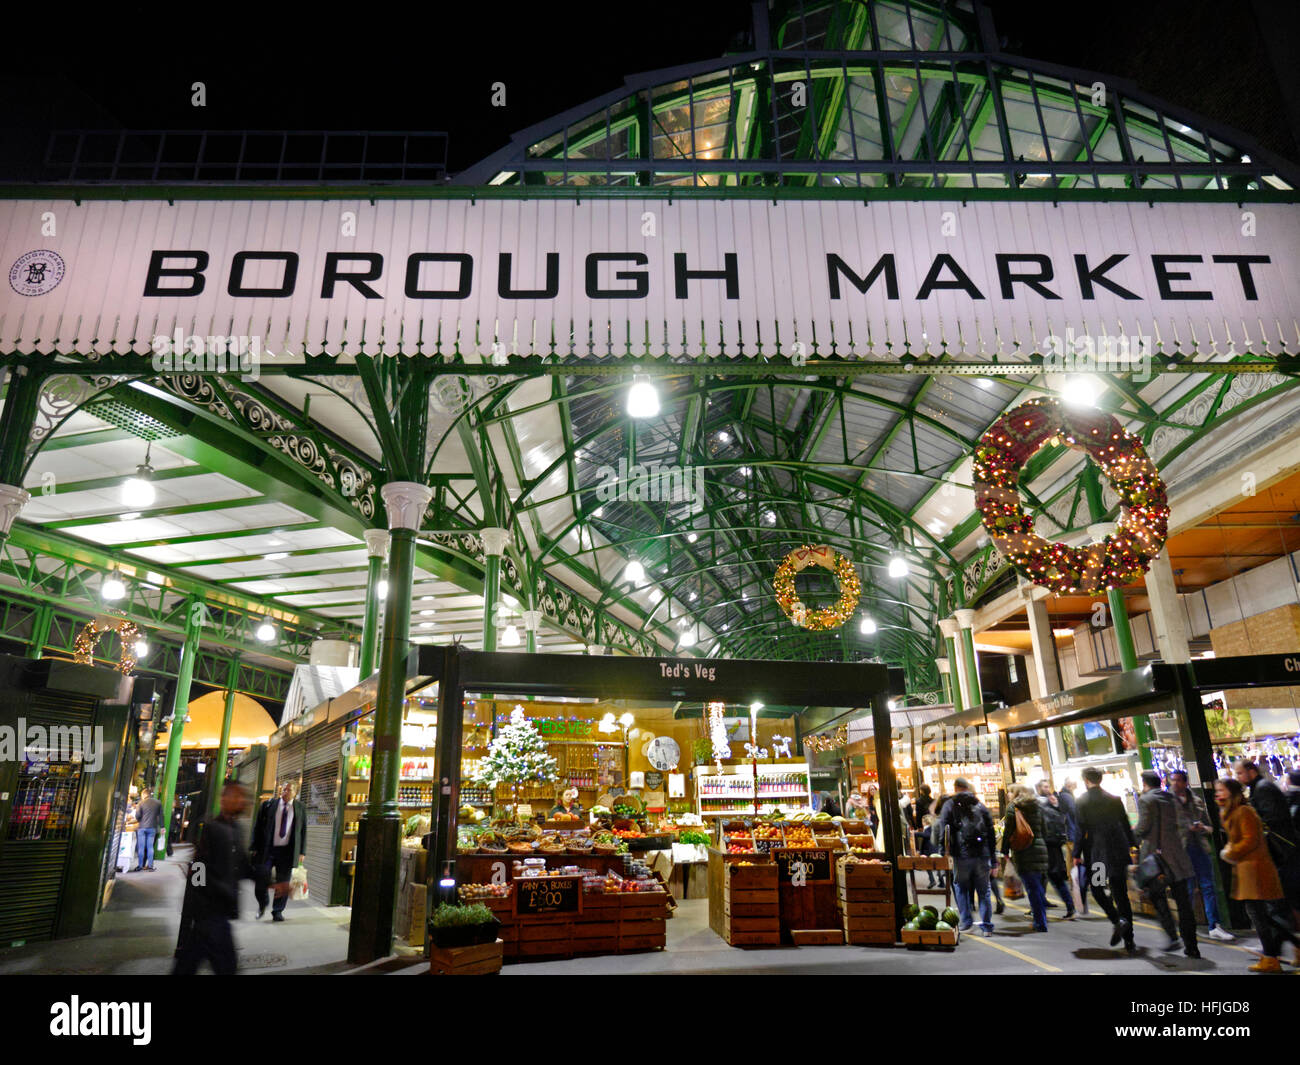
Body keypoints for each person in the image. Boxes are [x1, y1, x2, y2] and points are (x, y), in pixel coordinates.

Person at [174, 783, 287, 975]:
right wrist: (200, 902)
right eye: (236, 796)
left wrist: (270, 883)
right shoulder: (210, 828)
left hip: (216, 913)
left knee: (189, 964)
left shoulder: (235, 829)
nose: (241, 801)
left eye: (242, 797)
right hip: (210, 913)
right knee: (226, 966)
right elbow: (198, 867)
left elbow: (242, 866)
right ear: (223, 799)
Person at [1216, 777, 1300, 973]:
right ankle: (1283, 951)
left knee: (1260, 916)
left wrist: (1229, 852)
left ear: (1232, 792)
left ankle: (1271, 958)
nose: (1217, 794)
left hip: (1255, 870)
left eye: (1221, 790)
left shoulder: (1244, 811)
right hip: (1248, 870)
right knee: (1262, 916)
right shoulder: (1230, 811)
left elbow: (1250, 840)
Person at [1135, 770, 1200, 958]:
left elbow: (1143, 828)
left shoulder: (1146, 800)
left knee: (1157, 897)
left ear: (1145, 783)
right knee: (1184, 904)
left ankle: (1172, 936)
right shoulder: (1172, 799)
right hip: (1177, 857)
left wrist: (1135, 833)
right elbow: (1182, 825)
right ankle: (1192, 946)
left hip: (1156, 860)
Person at [1075, 765, 1138, 954]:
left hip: (1098, 855)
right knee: (1121, 894)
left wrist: (1076, 854)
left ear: (1086, 780)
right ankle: (1130, 941)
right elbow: (1125, 824)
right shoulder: (1114, 799)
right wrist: (1133, 845)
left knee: (1097, 889)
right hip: (1118, 853)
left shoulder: (1082, 801)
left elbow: (1080, 830)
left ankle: (1117, 920)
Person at [1168, 769, 1234, 941]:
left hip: (1199, 848)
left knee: (1208, 887)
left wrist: (1202, 828)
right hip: (1181, 851)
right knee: (1187, 890)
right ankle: (1188, 926)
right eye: (1172, 780)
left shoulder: (1196, 801)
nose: (1174, 784)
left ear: (1185, 782)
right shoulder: (1166, 803)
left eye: (1178, 780)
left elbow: (1210, 827)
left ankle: (1214, 926)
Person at [1235, 759, 1300, 916]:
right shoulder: (1260, 787)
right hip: (1282, 850)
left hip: (1282, 850)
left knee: (1287, 895)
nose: (1238, 777)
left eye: (1240, 773)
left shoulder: (1262, 789)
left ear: (1251, 771)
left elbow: (1271, 819)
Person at [933, 777, 997, 936]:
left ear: (956, 788)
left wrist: (943, 851)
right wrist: (993, 858)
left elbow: (944, 829)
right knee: (984, 891)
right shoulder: (979, 804)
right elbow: (990, 832)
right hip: (982, 854)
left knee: (961, 888)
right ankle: (987, 926)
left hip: (960, 854)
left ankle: (967, 922)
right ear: (967, 788)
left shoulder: (950, 805)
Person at [250, 781, 306, 922]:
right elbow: (257, 827)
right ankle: (262, 904)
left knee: (283, 882)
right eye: (284, 789)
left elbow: (303, 830)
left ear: (295, 793)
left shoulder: (300, 808)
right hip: (268, 849)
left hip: (287, 851)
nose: (285, 792)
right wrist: (254, 847)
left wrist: (302, 852)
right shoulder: (268, 805)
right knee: (261, 879)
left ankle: (277, 911)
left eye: (289, 790)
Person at [1000, 782, 1050, 932]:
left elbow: (1008, 831)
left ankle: (1040, 923)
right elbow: (1045, 830)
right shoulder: (1038, 806)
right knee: (1038, 887)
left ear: (1016, 793)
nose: (1008, 795)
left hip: (1023, 851)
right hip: (1041, 850)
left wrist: (1004, 851)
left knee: (1033, 888)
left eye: (1010, 792)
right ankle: (1041, 918)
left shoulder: (1013, 808)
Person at [1037, 789, 1076, 918]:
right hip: (1055, 851)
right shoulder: (1056, 812)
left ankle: (1038, 911)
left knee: (1044, 881)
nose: (1054, 798)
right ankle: (1070, 907)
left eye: (1053, 796)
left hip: (1047, 852)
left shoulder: (1044, 812)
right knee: (1056, 880)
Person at [133, 787, 162, 872]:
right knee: (150, 847)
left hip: (142, 828)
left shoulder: (140, 803)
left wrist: (140, 820)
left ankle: (140, 866)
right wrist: (162, 827)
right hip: (152, 828)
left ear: (143, 795)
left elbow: (137, 816)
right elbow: (161, 816)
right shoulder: (158, 803)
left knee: (141, 847)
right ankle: (150, 866)